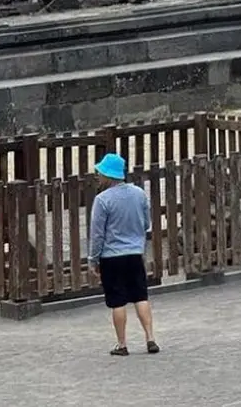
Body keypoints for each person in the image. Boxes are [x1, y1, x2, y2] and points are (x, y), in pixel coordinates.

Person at [87, 153, 159, 357]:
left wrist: (93, 259)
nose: (97, 177)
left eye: (99, 173)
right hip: (135, 253)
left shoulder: (102, 200)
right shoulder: (139, 194)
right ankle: (150, 338)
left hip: (111, 257)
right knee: (140, 296)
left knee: (117, 301)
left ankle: (122, 344)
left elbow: (97, 233)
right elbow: (146, 223)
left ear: (108, 175)